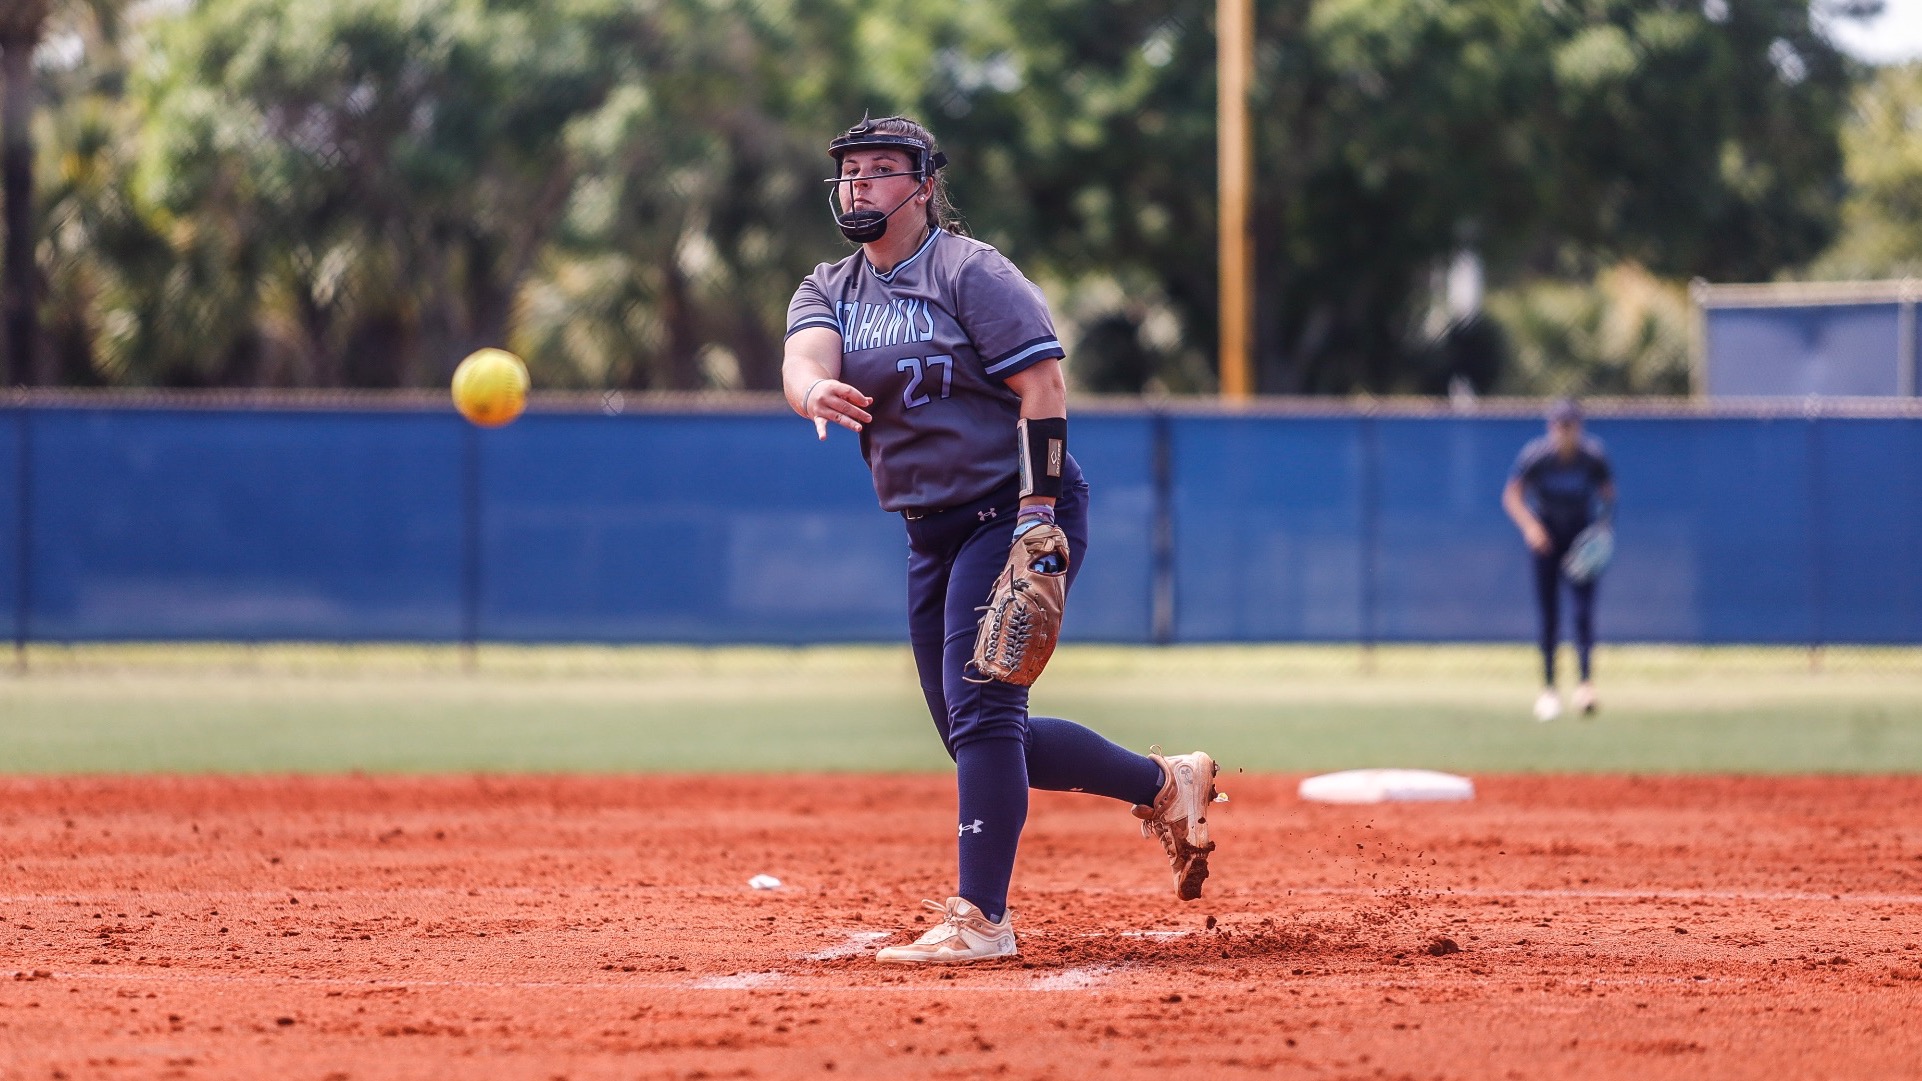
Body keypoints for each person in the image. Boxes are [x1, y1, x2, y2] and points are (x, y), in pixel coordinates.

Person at [781, 116, 1219, 964]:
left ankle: (982, 916)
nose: (860, 184)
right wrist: (813, 391)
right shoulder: (830, 285)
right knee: (973, 730)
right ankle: (1167, 784)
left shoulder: (969, 271)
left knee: (984, 711)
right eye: (849, 171)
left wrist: (1037, 509)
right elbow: (805, 356)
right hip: (929, 529)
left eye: (881, 169)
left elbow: (1043, 383)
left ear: (924, 184)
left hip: (1009, 509)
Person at [1501, 399, 1616, 721]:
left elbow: (1608, 495)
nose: (1565, 432)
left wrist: (1603, 530)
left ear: (1578, 427)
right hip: (1547, 540)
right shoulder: (1538, 457)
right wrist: (1531, 526)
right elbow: (1512, 495)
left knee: (1582, 613)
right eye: (1559, 425)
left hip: (1580, 540)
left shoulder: (1591, 457)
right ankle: (1549, 689)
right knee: (1549, 615)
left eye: (1570, 426)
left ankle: (1585, 685)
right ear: (1551, 427)